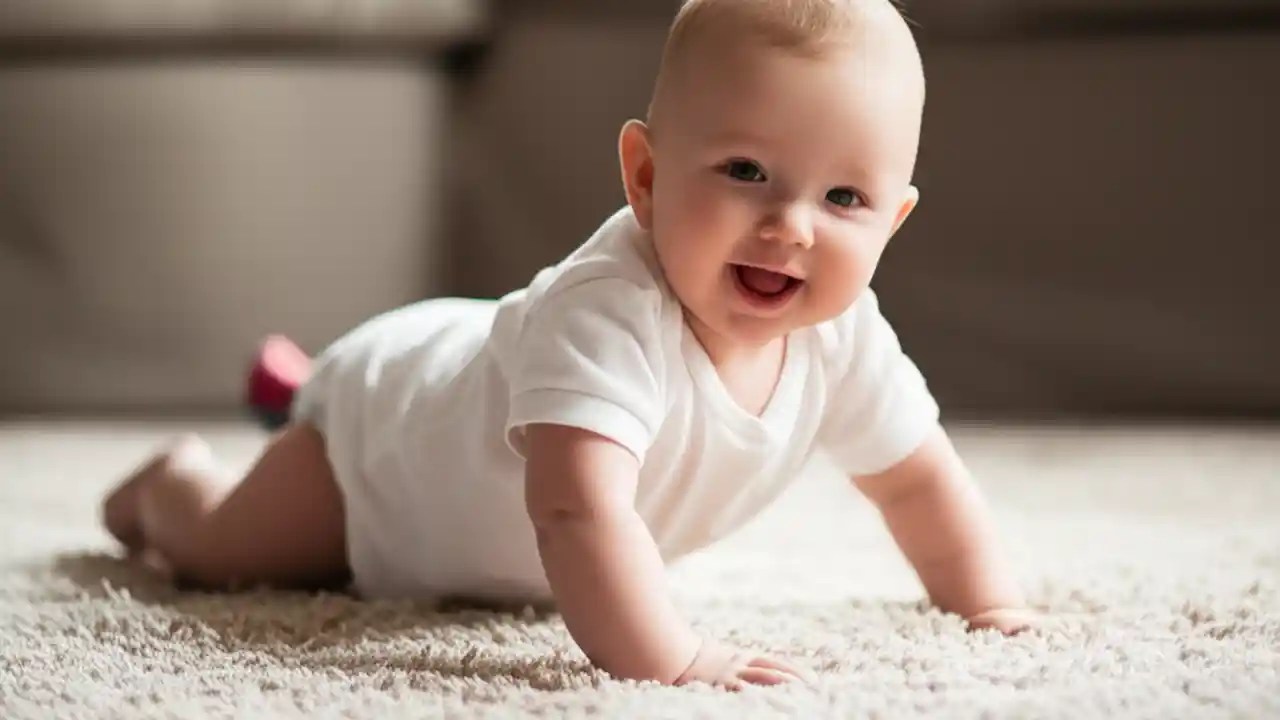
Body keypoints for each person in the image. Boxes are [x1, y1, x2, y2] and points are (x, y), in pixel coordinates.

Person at [102, 0, 1036, 690]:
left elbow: (916, 481)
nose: (790, 226)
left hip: (489, 369)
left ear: (893, 221)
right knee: (224, 556)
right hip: (379, 453)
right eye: (745, 172)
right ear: (646, 176)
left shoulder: (841, 335)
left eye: (844, 199)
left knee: (511, 366)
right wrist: (673, 658)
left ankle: (292, 386)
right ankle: (174, 481)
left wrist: (985, 603)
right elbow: (578, 515)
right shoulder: (608, 312)